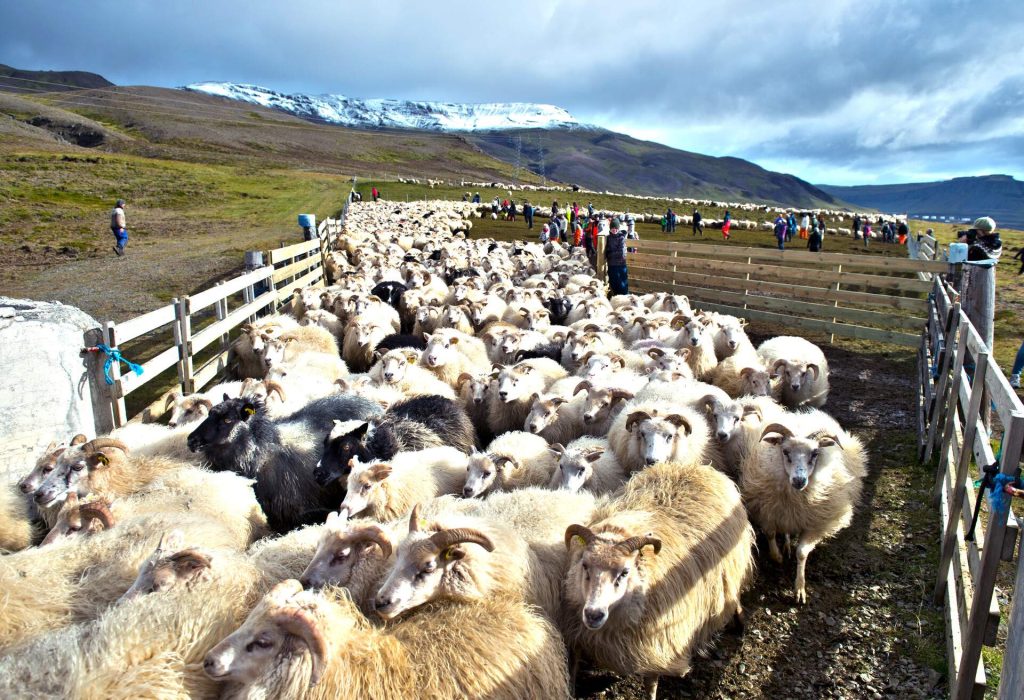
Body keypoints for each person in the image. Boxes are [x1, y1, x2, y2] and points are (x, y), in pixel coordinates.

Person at [606, 217, 629, 297]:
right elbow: (606, 251)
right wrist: (611, 252)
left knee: (622, 285)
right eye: (612, 228)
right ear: (610, 228)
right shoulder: (608, 238)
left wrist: (610, 253)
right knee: (613, 284)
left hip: (620, 265)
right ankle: (616, 300)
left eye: (616, 228)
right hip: (611, 265)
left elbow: (621, 253)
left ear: (618, 228)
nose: (614, 230)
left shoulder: (621, 238)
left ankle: (625, 299)